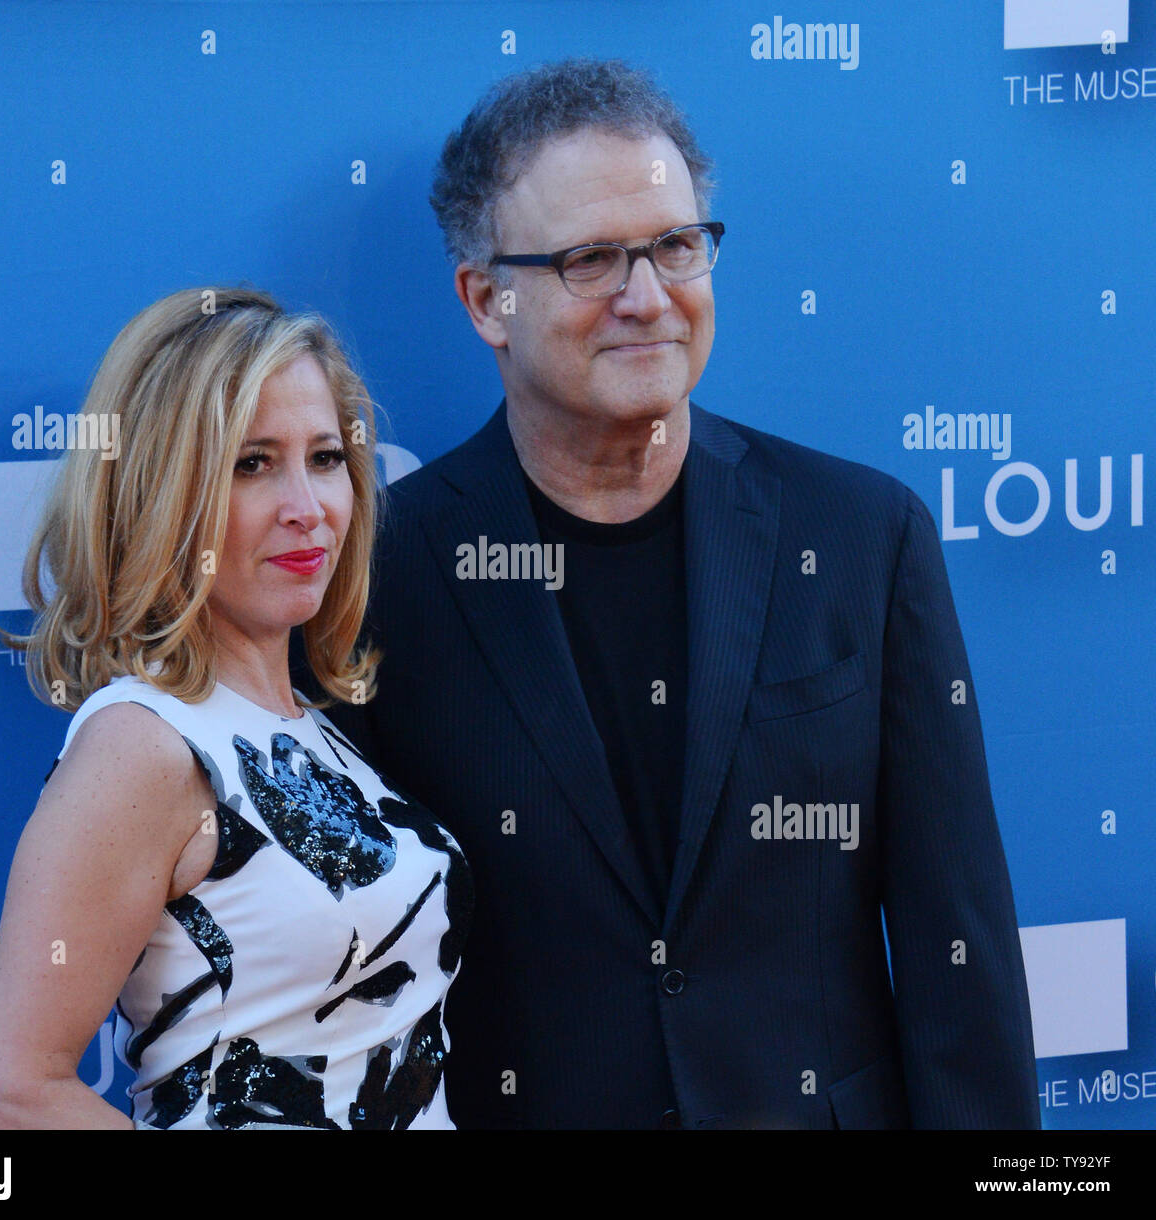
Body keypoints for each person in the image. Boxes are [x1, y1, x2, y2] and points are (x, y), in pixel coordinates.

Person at [315, 60, 1040, 1129]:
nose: (646, 296)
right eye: (589, 260)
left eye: (675, 245)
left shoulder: (860, 537)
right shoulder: (380, 571)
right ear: (485, 300)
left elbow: (956, 939)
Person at [0, 287, 471, 1130]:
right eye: (252, 464)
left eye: (325, 458)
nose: (307, 507)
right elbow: (15, 1098)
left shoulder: (307, 735)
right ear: (167, 493)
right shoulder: (144, 744)